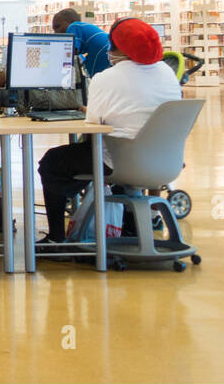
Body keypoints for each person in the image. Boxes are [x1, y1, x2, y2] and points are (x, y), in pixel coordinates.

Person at [37, 18, 180, 243]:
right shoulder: (167, 73)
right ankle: (131, 231)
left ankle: (56, 238)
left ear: (118, 48)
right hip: (163, 161)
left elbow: (93, 124)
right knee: (112, 155)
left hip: (119, 162)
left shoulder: (106, 77)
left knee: (52, 162)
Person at [52, 8, 113, 79]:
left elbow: (70, 53)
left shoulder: (74, 26)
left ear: (72, 21)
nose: (56, 33)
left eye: (57, 27)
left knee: (94, 81)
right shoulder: (86, 28)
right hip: (110, 56)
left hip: (101, 56)